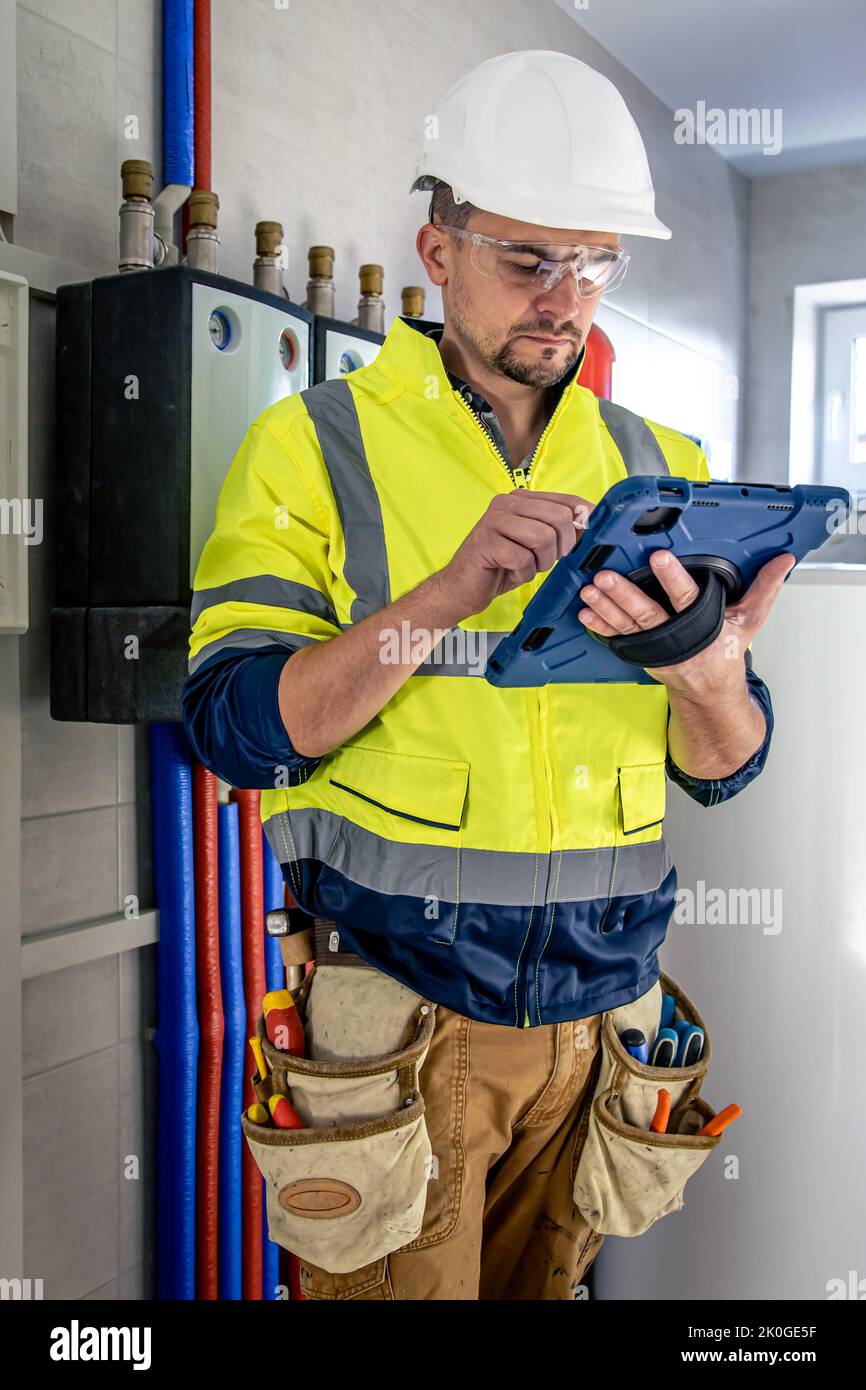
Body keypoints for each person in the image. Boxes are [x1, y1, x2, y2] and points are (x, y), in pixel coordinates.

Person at [182, 50, 787, 1300]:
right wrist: (441, 598)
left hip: (604, 1022)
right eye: (527, 259)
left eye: (595, 261)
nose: (566, 298)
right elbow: (237, 731)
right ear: (436, 249)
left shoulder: (656, 462)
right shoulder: (312, 445)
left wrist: (704, 669)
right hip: (396, 1029)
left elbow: (724, 766)